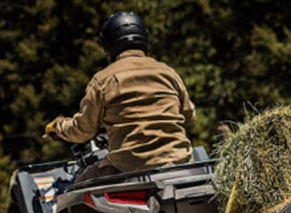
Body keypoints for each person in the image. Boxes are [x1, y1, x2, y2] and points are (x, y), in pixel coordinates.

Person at [45, 12, 196, 182]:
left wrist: (58, 127)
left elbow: (83, 130)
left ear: (108, 45)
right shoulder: (168, 72)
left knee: (74, 190)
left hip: (129, 168)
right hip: (180, 161)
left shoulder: (102, 80)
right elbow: (189, 115)